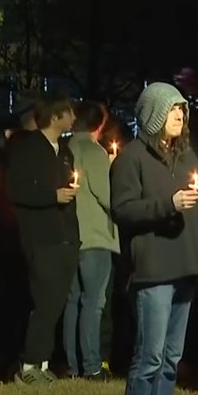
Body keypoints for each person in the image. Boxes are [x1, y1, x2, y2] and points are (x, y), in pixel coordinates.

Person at [111, 82, 198, 395]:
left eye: (182, 110)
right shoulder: (131, 158)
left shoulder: (188, 157)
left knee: (171, 359)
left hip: (184, 267)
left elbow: (196, 216)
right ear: (153, 115)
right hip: (153, 269)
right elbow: (122, 210)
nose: (180, 115)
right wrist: (167, 204)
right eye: (172, 110)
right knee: (150, 356)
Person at [7, 92, 81, 385]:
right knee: (45, 301)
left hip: (65, 238)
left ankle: (43, 361)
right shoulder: (28, 149)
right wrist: (51, 196)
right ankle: (28, 365)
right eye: (68, 112)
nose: (74, 118)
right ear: (55, 116)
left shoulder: (63, 150)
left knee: (57, 302)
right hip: (42, 237)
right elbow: (16, 190)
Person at [64, 101, 120, 380]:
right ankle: (92, 365)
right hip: (96, 236)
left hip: (72, 236)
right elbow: (106, 195)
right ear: (99, 124)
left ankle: (73, 364)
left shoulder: (66, 149)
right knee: (94, 302)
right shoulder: (94, 152)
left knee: (73, 300)